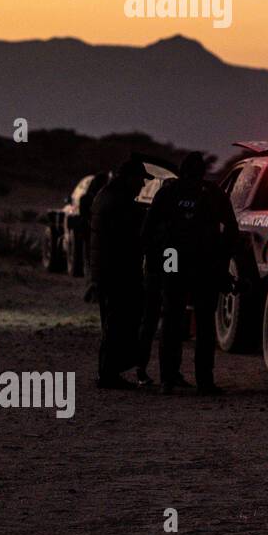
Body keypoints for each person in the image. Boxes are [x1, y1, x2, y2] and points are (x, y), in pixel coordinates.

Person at [142, 152, 238, 396]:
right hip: (205, 264)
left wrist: (155, 264)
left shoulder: (168, 192)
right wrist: (222, 261)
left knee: (171, 320)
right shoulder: (213, 193)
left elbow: (148, 230)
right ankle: (204, 381)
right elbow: (231, 229)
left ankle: (167, 380)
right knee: (205, 323)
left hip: (172, 261)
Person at [88, 159, 150, 389]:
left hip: (107, 271)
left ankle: (109, 371)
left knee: (113, 322)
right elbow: (129, 235)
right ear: (129, 178)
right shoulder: (118, 201)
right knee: (117, 324)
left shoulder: (105, 196)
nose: (142, 185)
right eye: (140, 179)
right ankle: (109, 374)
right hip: (117, 273)